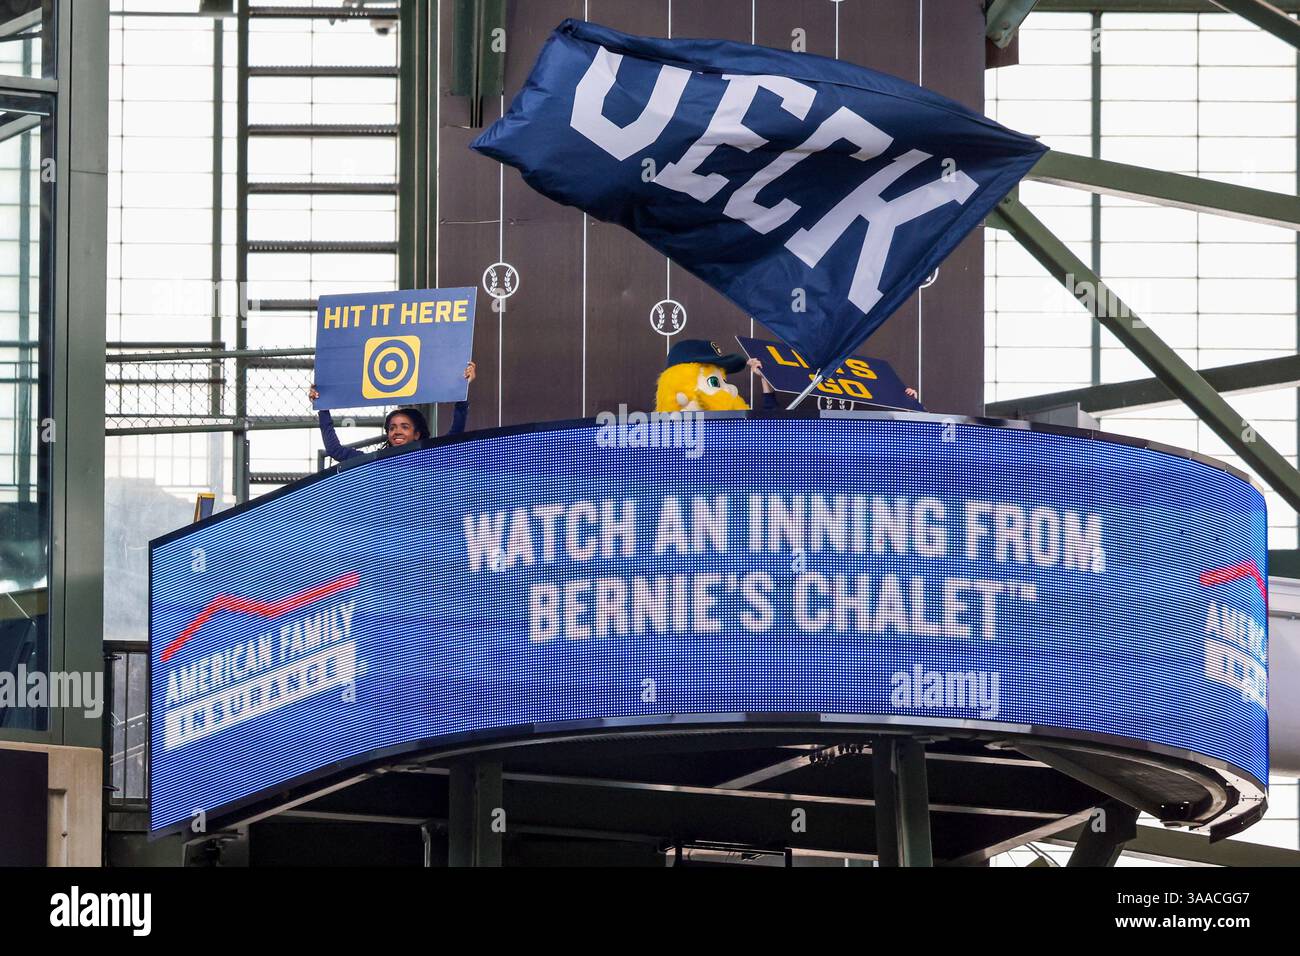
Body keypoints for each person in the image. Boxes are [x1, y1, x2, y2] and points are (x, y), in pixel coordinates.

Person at [309, 361, 476, 462]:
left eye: (404, 427)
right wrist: (323, 406)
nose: (397, 431)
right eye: (392, 428)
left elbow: (455, 434)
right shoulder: (377, 460)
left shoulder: (430, 457)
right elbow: (334, 450)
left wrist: (464, 388)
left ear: (417, 434)